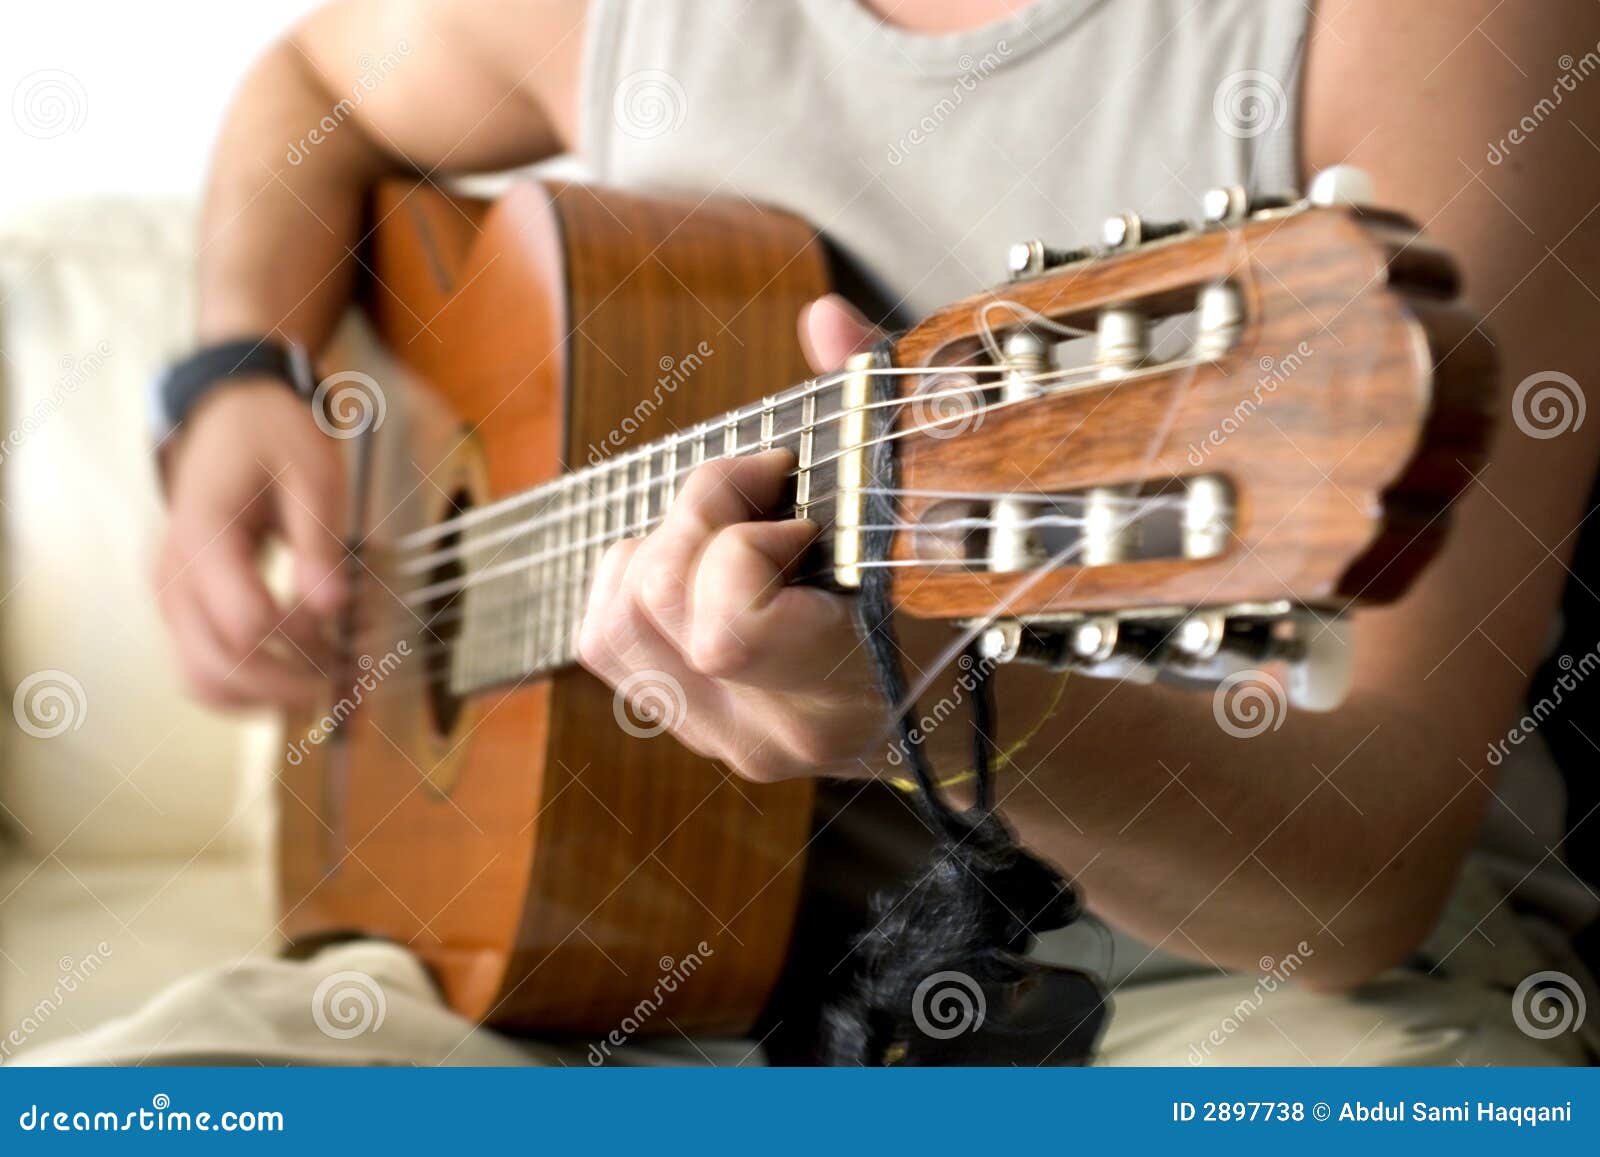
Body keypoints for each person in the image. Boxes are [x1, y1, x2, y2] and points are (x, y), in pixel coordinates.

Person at [23, 0, 1600, 1066]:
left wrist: (946, 715)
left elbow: (1363, 875)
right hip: (606, 981)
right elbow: (309, 85)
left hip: (1216, 991)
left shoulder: (1431, 26)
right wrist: (236, 376)